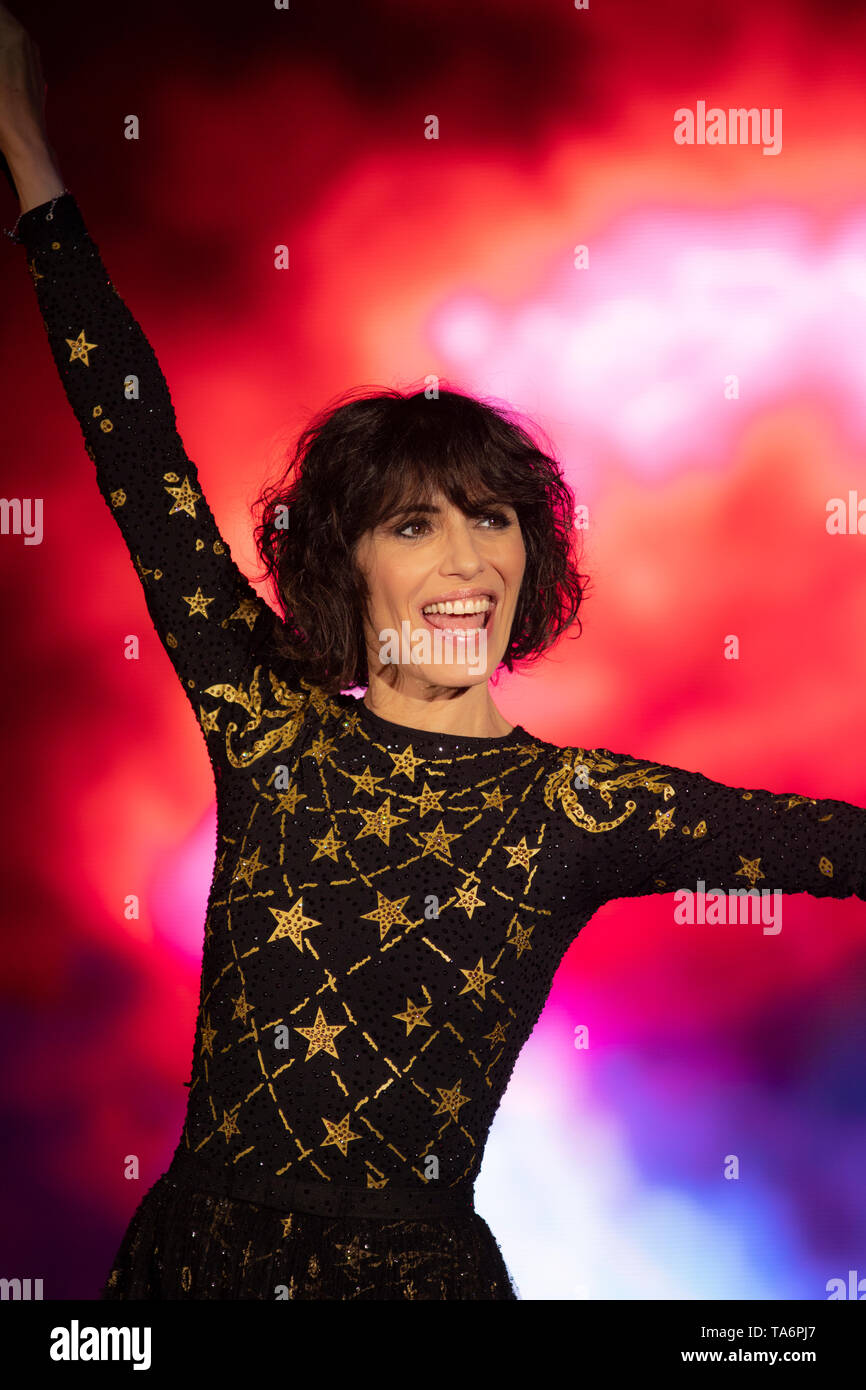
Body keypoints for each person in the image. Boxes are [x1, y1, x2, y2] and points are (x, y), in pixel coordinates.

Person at [3, 8, 866, 1300]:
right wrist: (26, 153)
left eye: (491, 519)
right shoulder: (264, 716)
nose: (467, 560)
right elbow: (135, 450)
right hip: (187, 1272)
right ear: (346, 560)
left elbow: (837, 847)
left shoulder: (577, 808)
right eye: (416, 522)